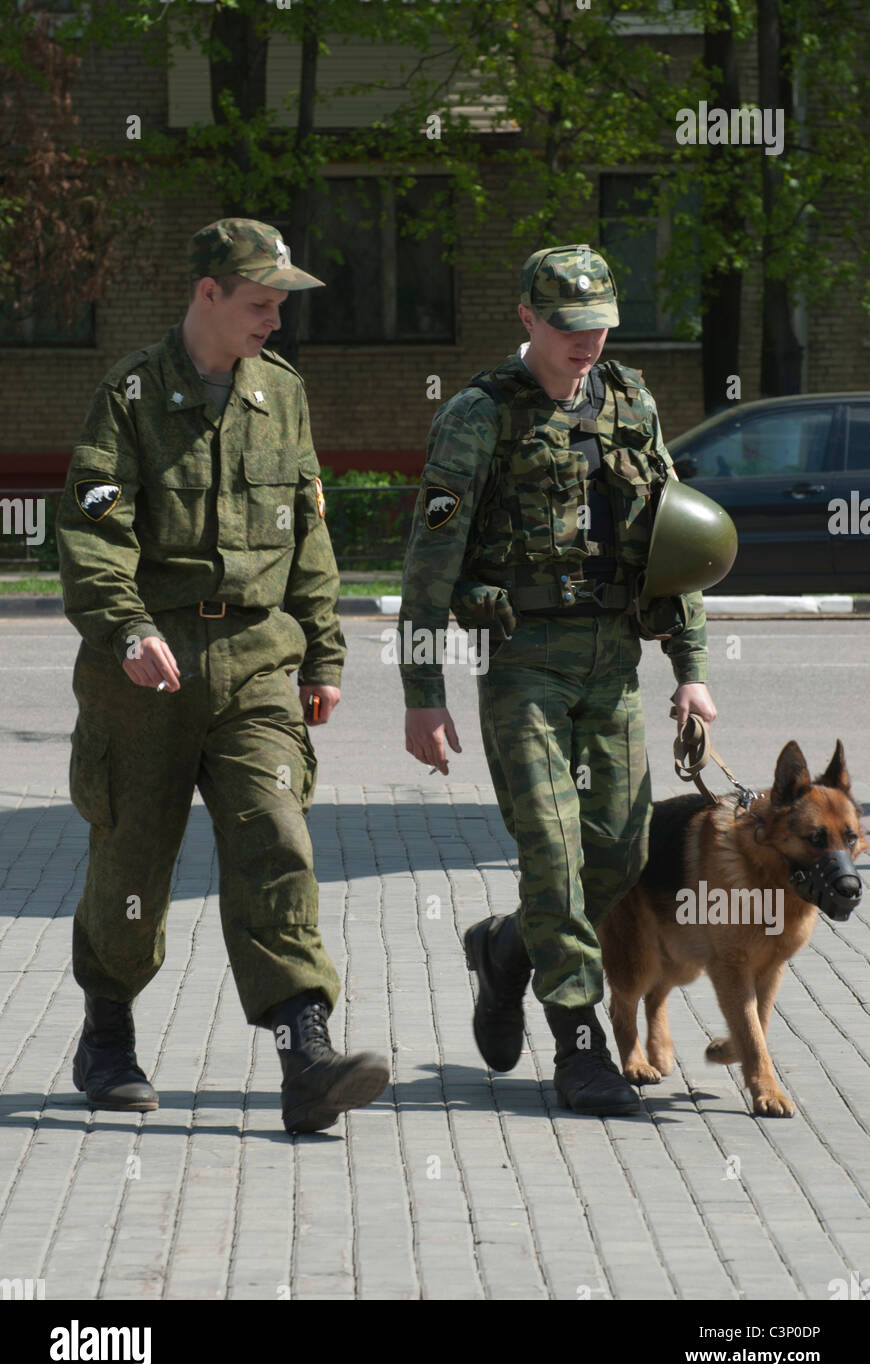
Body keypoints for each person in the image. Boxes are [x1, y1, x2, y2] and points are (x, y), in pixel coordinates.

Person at [56, 217, 389, 1134]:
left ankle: (305, 1052)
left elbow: (310, 531)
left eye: (280, 305)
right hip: (147, 671)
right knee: (133, 861)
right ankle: (107, 1035)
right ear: (207, 294)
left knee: (275, 840)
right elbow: (92, 533)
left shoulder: (282, 394)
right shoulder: (128, 394)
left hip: (256, 663)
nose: (275, 321)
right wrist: (125, 629)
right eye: (260, 304)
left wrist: (322, 650)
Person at [399, 244, 723, 1115]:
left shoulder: (628, 399)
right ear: (529, 321)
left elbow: (668, 543)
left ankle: (505, 949)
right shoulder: (478, 415)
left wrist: (691, 670)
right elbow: (430, 565)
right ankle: (580, 1046)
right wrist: (422, 693)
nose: (589, 341)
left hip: (613, 661)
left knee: (617, 853)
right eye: (571, 326)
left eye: (601, 323)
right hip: (523, 666)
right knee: (551, 851)